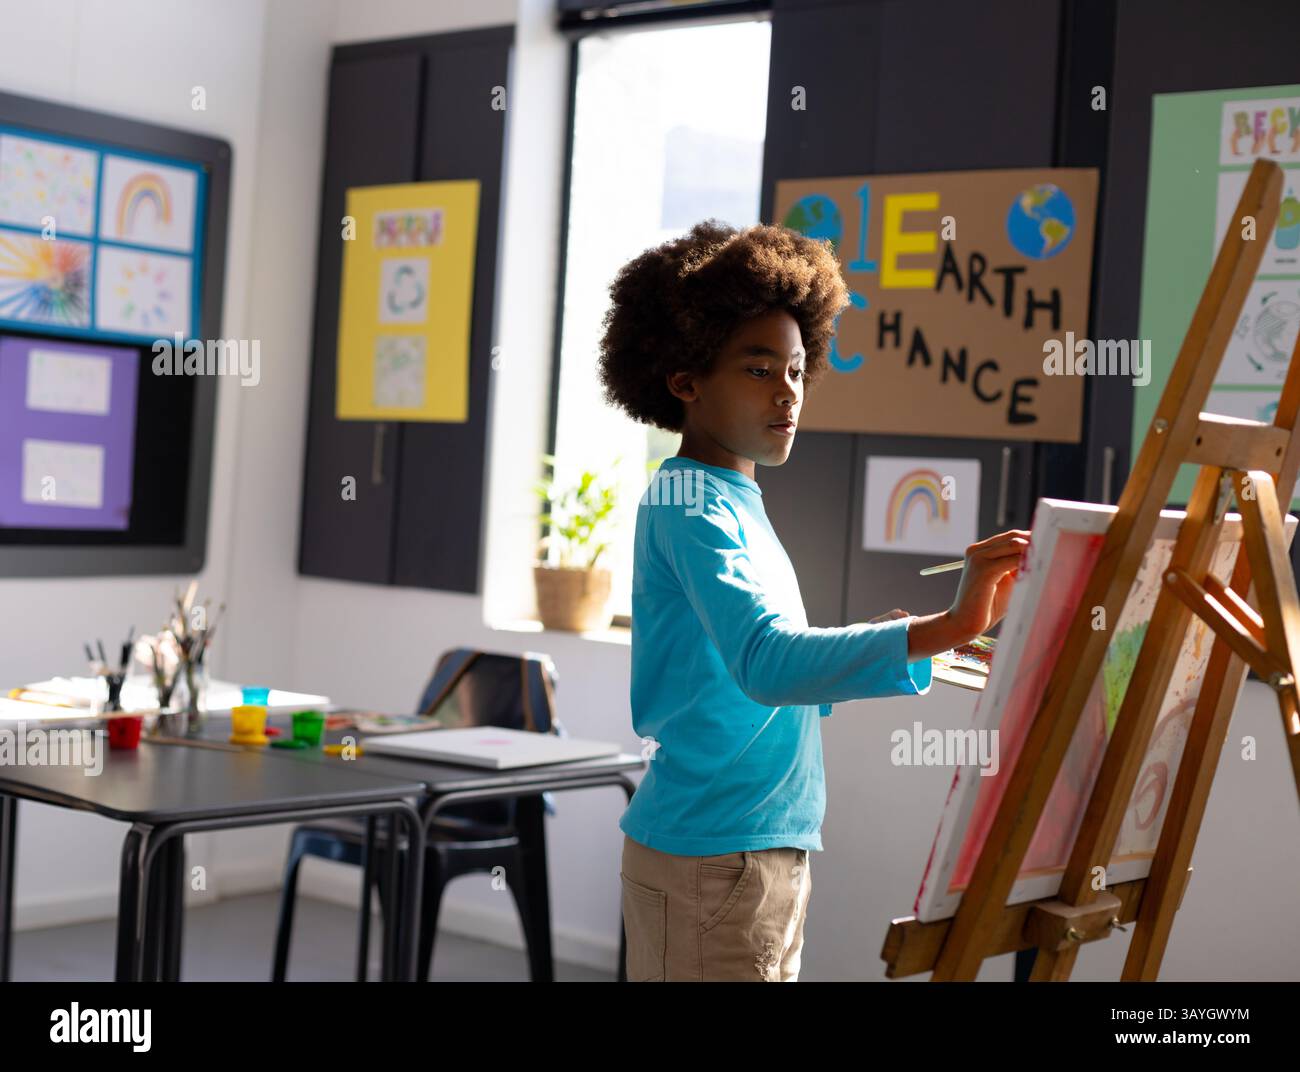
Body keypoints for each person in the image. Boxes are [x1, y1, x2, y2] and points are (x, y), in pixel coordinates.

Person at [598, 219, 1027, 981]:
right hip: (714, 859)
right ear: (685, 379)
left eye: (796, 371)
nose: (787, 392)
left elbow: (755, 682)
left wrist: (896, 639)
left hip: (752, 848)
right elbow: (768, 663)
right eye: (759, 370)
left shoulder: (729, 499)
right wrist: (949, 625)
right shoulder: (694, 503)